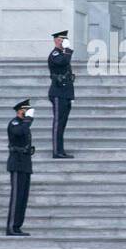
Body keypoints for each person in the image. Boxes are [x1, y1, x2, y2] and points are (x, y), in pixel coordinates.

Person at [5, 99, 34, 236]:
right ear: (19, 110)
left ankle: (17, 226)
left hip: (25, 163)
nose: (27, 111)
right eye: (25, 109)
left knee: (23, 197)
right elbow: (19, 133)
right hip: (17, 162)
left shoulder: (24, 124)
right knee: (17, 197)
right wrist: (28, 120)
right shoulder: (15, 123)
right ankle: (11, 227)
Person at [47, 30, 75, 159]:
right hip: (58, 92)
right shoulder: (55, 54)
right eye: (61, 39)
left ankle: (61, 150)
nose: (63, 41)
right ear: (56, 40)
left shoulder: (62, 53)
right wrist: (68, 49)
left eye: (65, 39)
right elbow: (63, 62)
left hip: (65, 92)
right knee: (58, 123)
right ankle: (56, 151)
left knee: (62, 123)